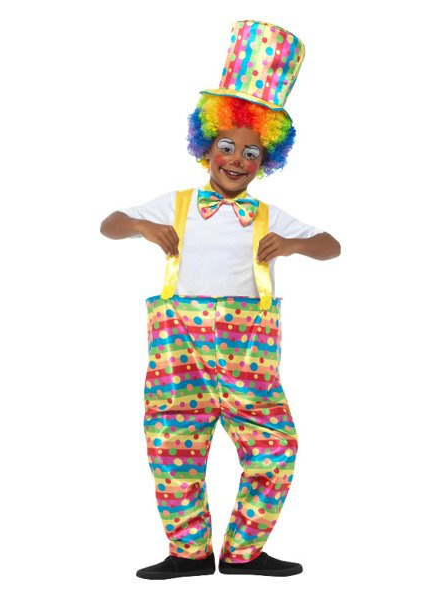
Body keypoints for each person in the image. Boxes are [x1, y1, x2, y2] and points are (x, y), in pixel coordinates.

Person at [100, 20, 341, 579]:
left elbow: (331, 246)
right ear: (206, 148)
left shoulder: (268, 216)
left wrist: (294, 245)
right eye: (227, 147)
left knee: (275, 448)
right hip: (178, 353)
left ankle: (243, 553)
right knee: (172, 448)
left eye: (251, 153)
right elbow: (109, 224)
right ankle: (188, 554)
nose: (236, 160)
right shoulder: (177, 203)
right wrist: (142, 226)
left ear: (265, 160)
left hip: (247, 357)